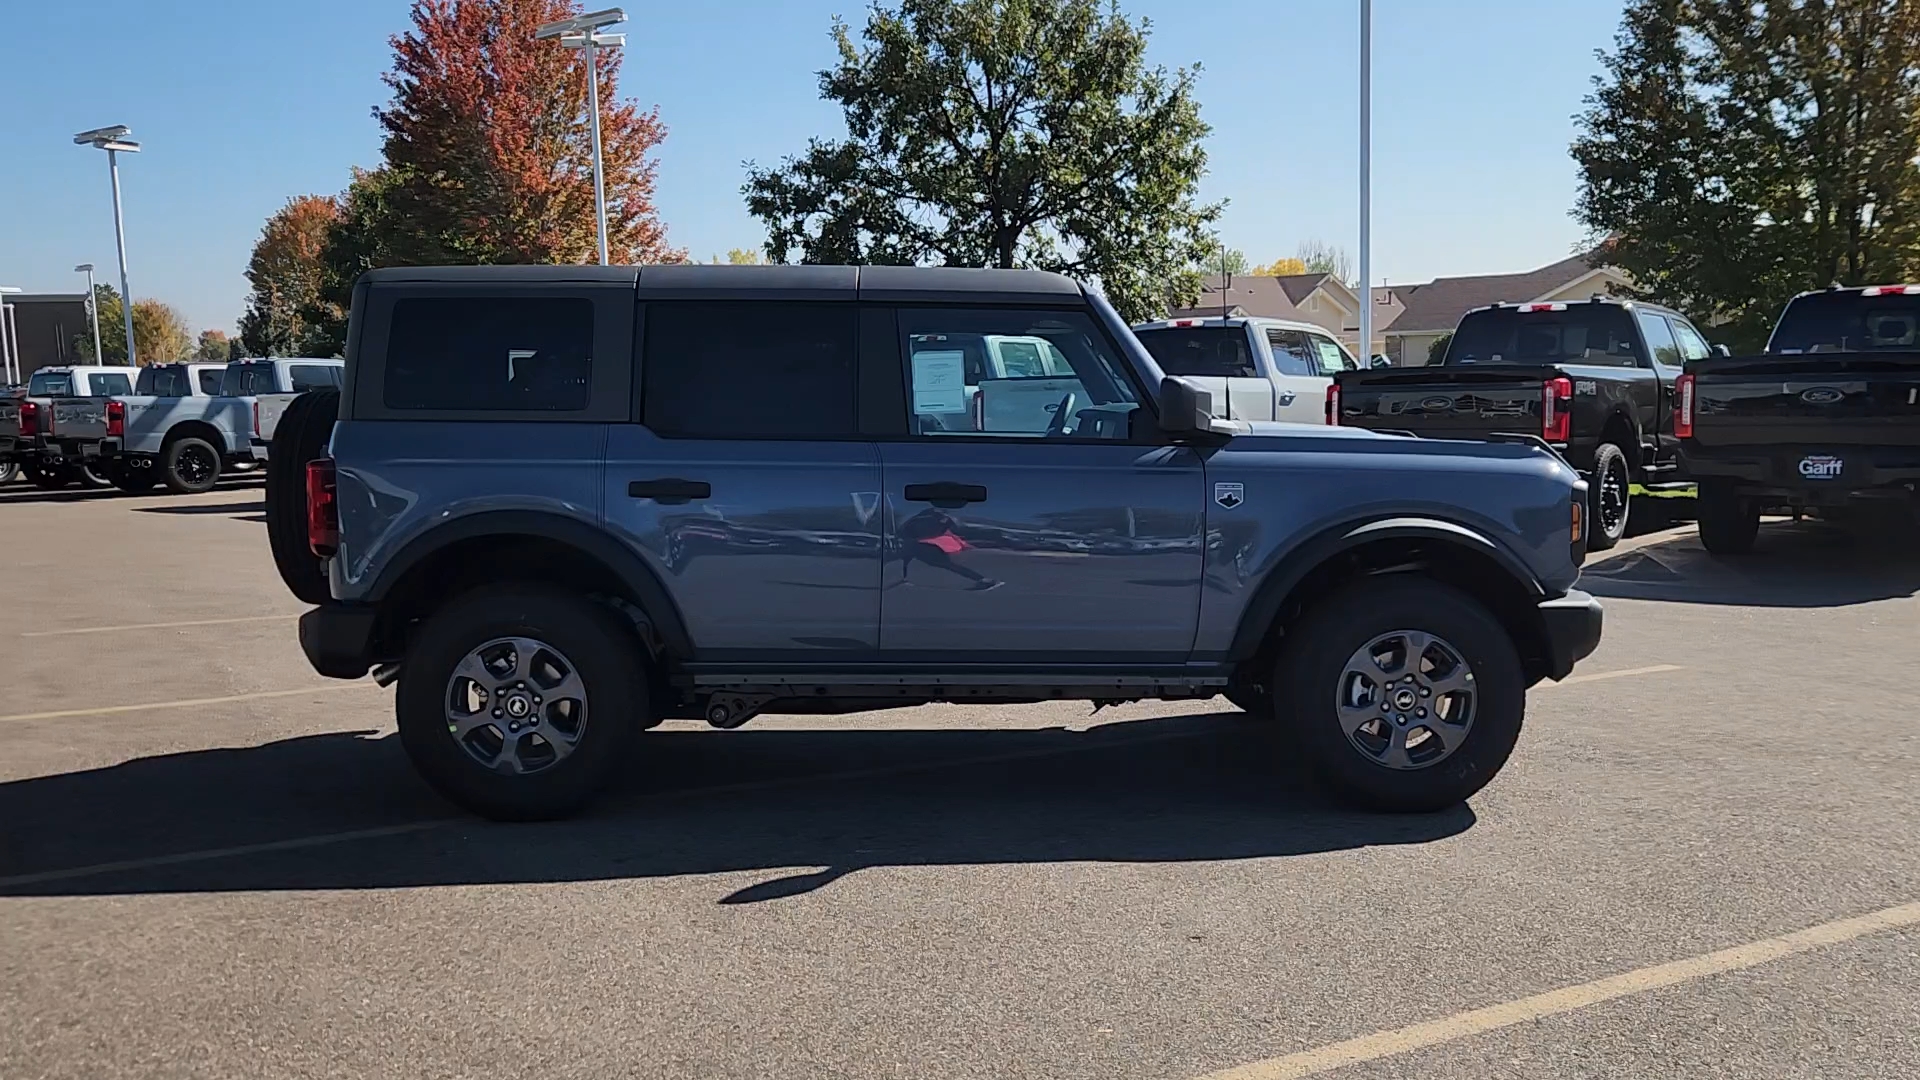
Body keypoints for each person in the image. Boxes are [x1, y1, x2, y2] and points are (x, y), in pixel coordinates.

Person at [897, 508, 1000, 591]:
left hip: (922, 545)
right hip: (925, 545)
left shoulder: (924, 517)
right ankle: (982, 579)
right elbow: (949, 533)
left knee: (946, 564)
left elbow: (907, 529)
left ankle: (982, 579)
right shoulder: (938, 519)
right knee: (948, 565)